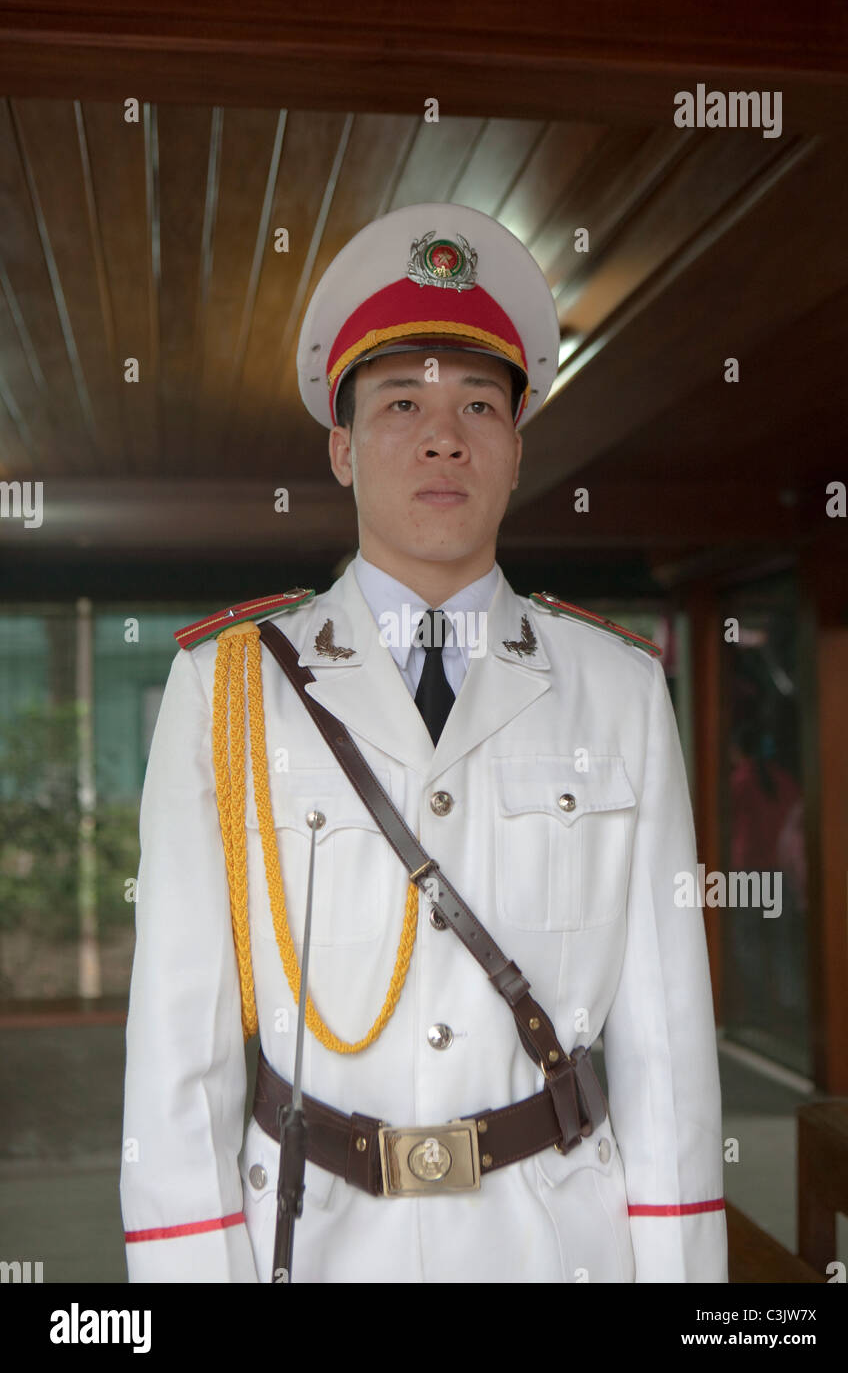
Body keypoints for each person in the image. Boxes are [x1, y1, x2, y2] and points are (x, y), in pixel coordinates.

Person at [120, 202, 727, 1283]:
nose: (442, 434)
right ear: (343, 450)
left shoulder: (619, 689)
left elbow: (667, 1046)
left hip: (556, 1245)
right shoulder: (227, 689)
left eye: (476, 405)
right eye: (402, 402)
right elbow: (180, 1049)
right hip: (311, 1242)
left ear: (514, 449)